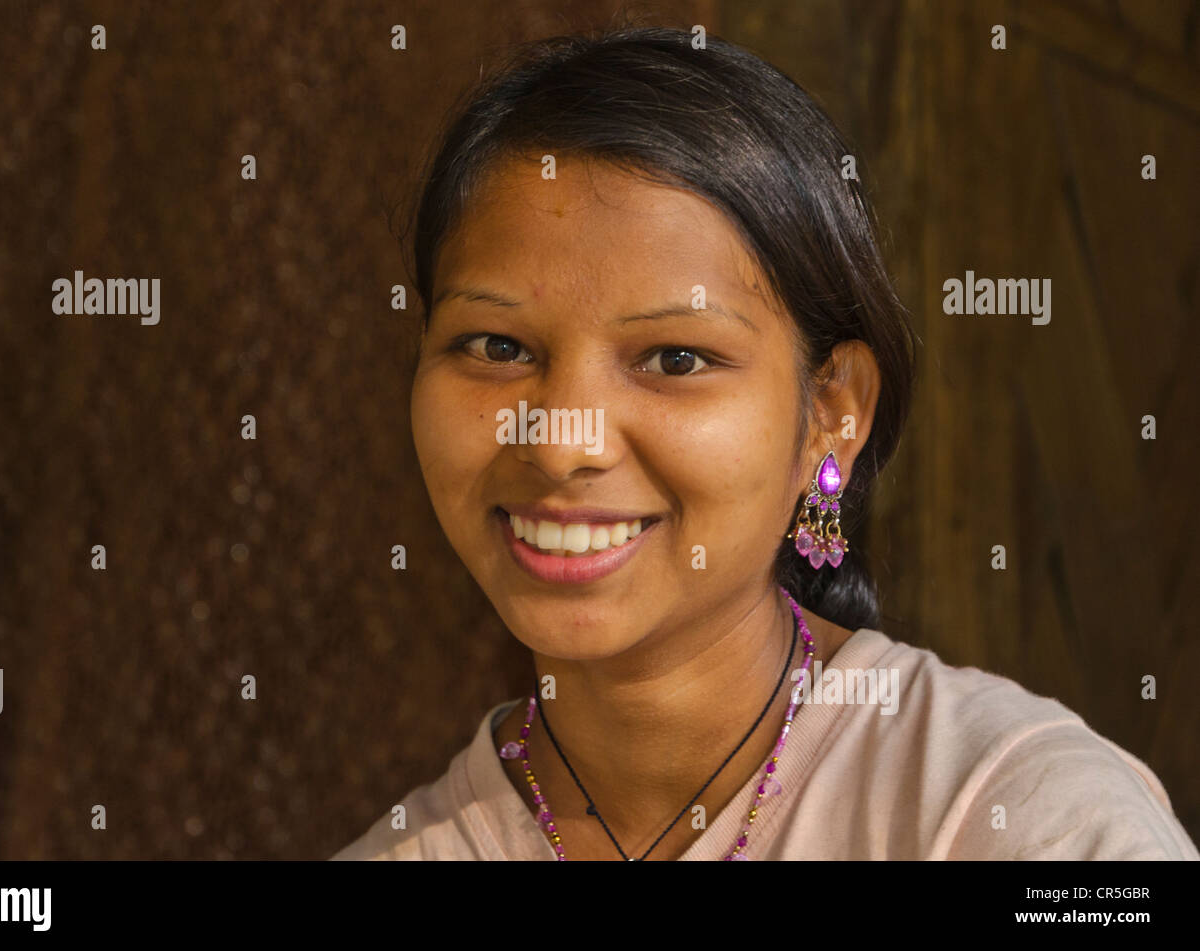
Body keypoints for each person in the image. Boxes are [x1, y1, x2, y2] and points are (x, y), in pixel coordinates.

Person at [334, 26, 1197, 860]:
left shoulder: (1020, 818)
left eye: (676, 358)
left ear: (833, 411)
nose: (564, 444)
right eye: (498, 347)